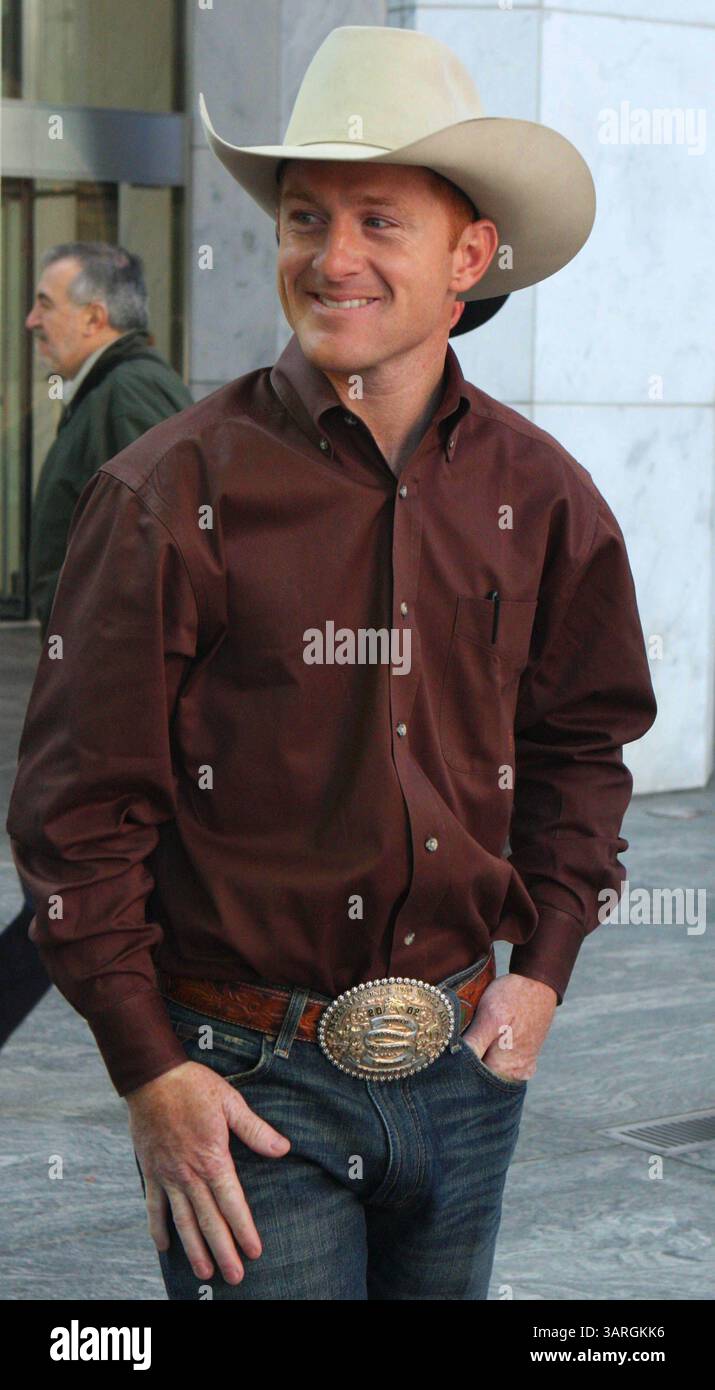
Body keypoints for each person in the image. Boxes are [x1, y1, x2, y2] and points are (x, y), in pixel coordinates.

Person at [6, 26, 657, 1300]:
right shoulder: (167, 492)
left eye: (378, 219)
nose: (331, 256)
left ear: (469, 255)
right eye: (306, 217)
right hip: (247, 1091)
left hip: (467, 1071)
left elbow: (584, 749)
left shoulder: (549, 496)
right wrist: (151, 1069)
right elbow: (75, 814)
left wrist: (541, 978)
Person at [0, 243, 193, 1050]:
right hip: (105, 680)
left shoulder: (130, 391)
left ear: (95, 315)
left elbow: (175, 538)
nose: (32, 320)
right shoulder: (107, 388)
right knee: (78, 872)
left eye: (46, 302)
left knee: (76, 867)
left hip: (121, 690)